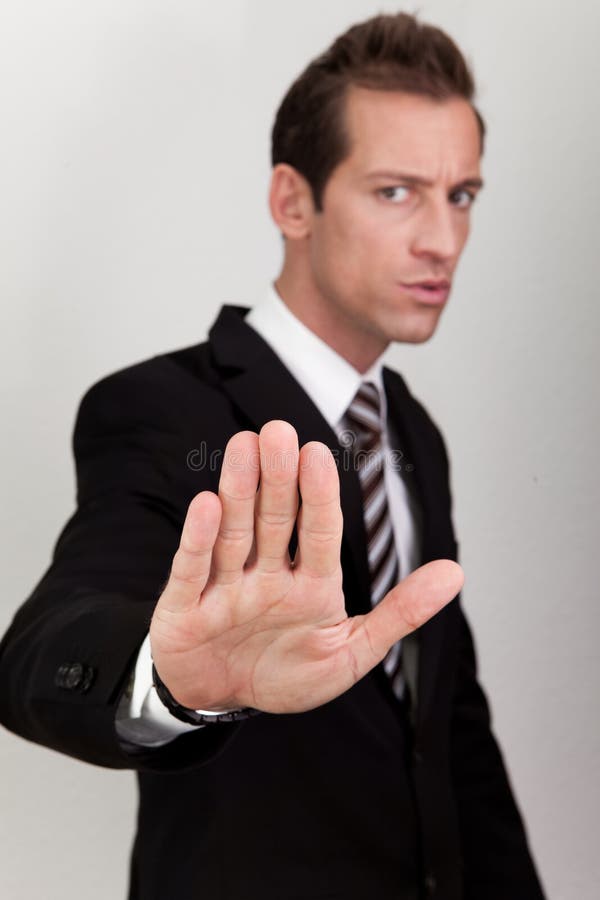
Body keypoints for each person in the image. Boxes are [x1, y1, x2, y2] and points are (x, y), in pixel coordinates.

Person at [0, 12, 545, 900]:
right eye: (396, 192)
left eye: (463, 196)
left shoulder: (412, 433)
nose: (443, 240)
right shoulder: (161, 409)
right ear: (294, 201)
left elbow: (448, 731)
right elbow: (39, 652)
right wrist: (170, 681)